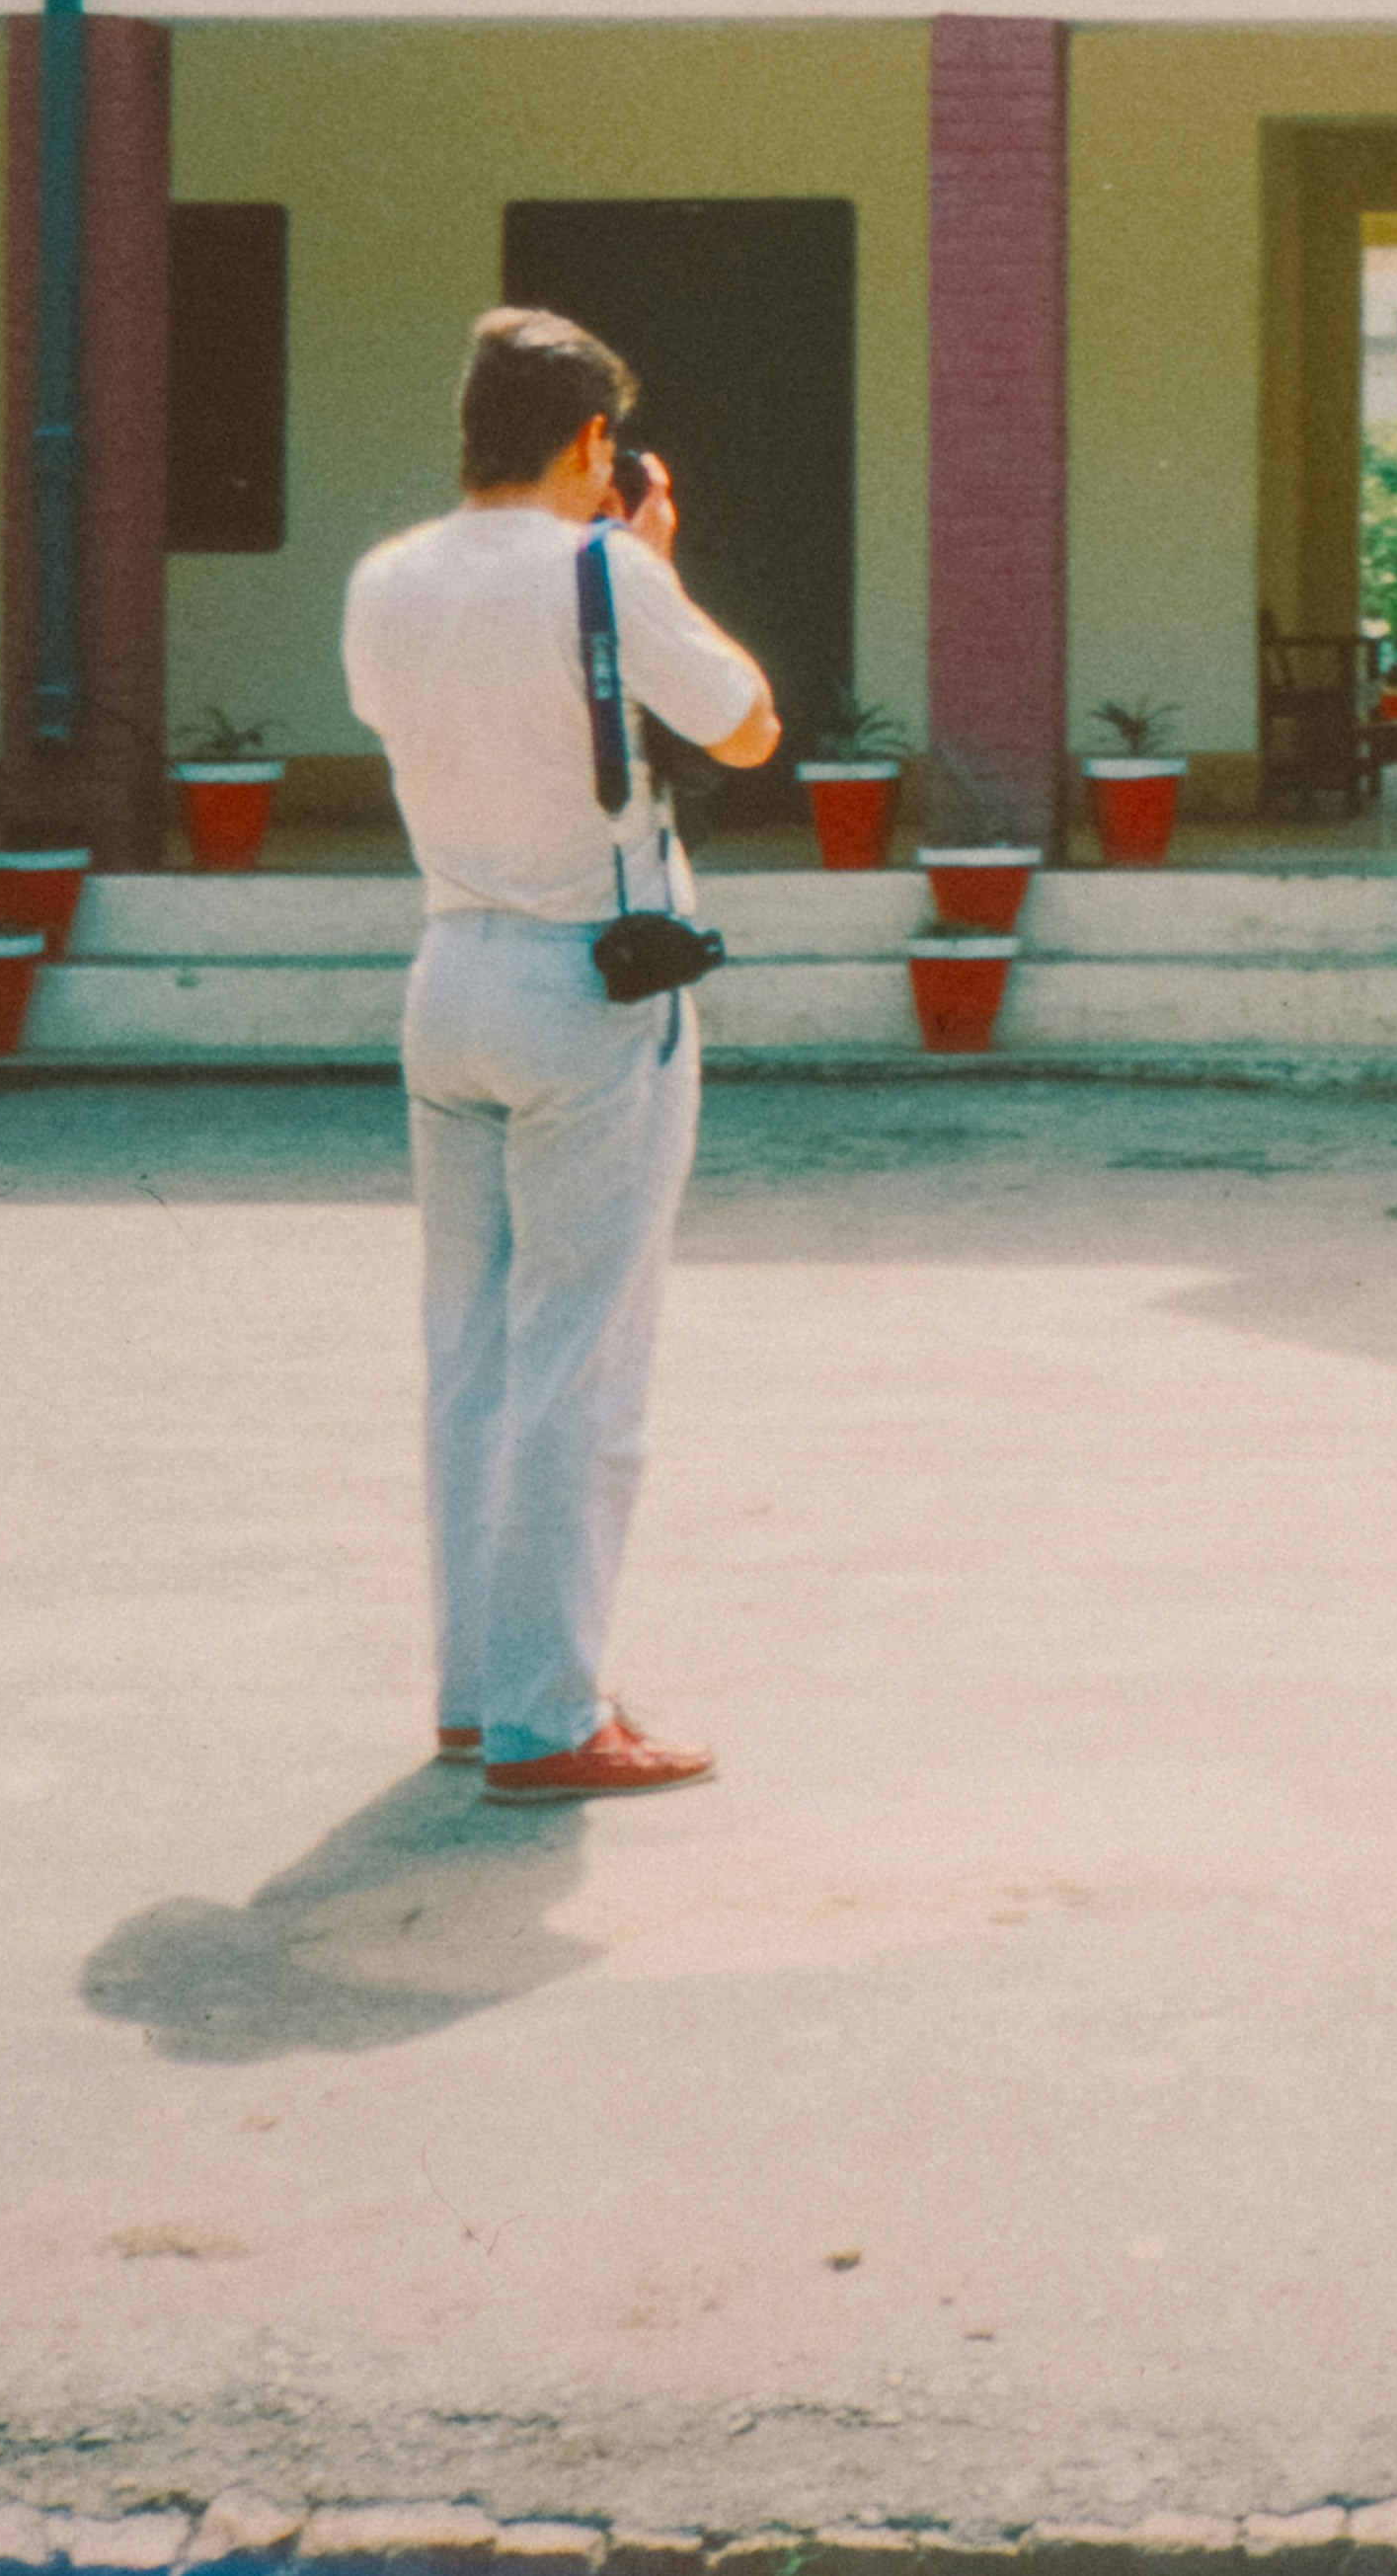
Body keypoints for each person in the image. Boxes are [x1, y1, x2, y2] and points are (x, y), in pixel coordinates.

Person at [344, 306, 781, 1807]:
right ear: (593, 440)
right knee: (582, 1353)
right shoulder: (603, 569)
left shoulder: (386, 575)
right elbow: (746, 727)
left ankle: (481, 1689)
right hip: (588, 984)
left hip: (449, 969)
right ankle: (551, 1713)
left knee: (468, 1344)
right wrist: (649, 565)